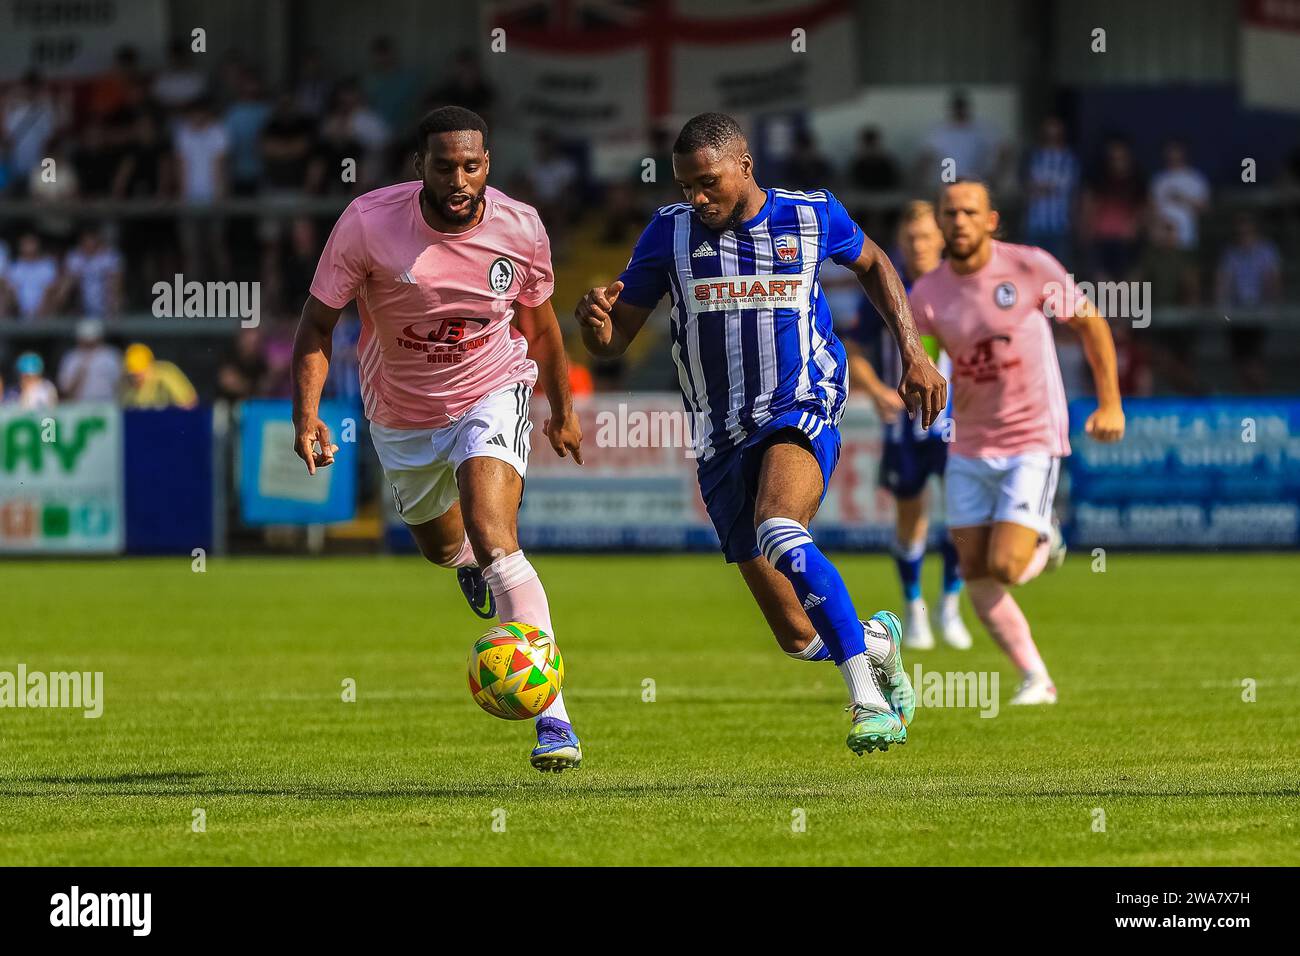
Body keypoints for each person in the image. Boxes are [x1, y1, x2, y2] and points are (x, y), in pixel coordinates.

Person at [575, 112, 947, 755]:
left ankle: (866, 700)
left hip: (800, 407)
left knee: (780, 526)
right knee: (798, 636)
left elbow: (877, 264)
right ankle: (878, 641)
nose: (696, 196)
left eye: (708, 181)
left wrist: (913, 353)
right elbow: (614, 342)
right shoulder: (669, 232)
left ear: (745, 164)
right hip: (719, 434)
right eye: (685, 183)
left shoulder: (811, 215)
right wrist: (593, 323)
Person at [292, 106, 585, 773]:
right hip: (400, 414)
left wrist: (562, 410)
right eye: (445, 165)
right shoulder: (367, 223)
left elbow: (540, 328)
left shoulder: (520, 227)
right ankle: (468, 569)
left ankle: (553, 718)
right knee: (440, 546)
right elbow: (315, 326)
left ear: (488, 166)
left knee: (494, 533)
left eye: (472, 165)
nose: (460, 179)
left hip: (493, 388)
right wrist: (305, 416)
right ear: (418, 166)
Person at [908, 180, 1125, 705]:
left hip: (1031, 436)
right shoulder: (927, 295)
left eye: (969, 212)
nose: (958, 221)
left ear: (990, 220)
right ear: (941, 223)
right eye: (950, 213)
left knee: (1005, 565)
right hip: (969, 445)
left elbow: (1090, 324)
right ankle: (1036, 678)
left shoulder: (1030, 266)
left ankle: (1046, 540)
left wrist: (1110, 402)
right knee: (974, 572)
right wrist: (916, 382)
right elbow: (929, 363)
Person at [839, 201, 972, 650]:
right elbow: (853, 349)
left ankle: (950, 605)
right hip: (903, 424)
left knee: (962, 517)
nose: (917, 245)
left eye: (925, 236)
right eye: (910, 237)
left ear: (940, 240)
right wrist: (876, 390)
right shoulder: (884, 286)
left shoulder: (961, 284)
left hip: (958, 424)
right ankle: (914, 610)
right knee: (910, 517)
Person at [58, 320, 122, 402]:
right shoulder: (71, 358)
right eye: (85, 340)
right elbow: (65, 389)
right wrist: (81, 371)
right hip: (79, 408)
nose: (88, 343)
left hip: (107, 406)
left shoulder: (111, 355)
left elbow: (120, 385)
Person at [120, 343, 198, 409]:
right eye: (133, 373)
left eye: (140, 372)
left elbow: (189, 402)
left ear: (150, 366)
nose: (136, 377)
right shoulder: (126, 383)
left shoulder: (166, 375)